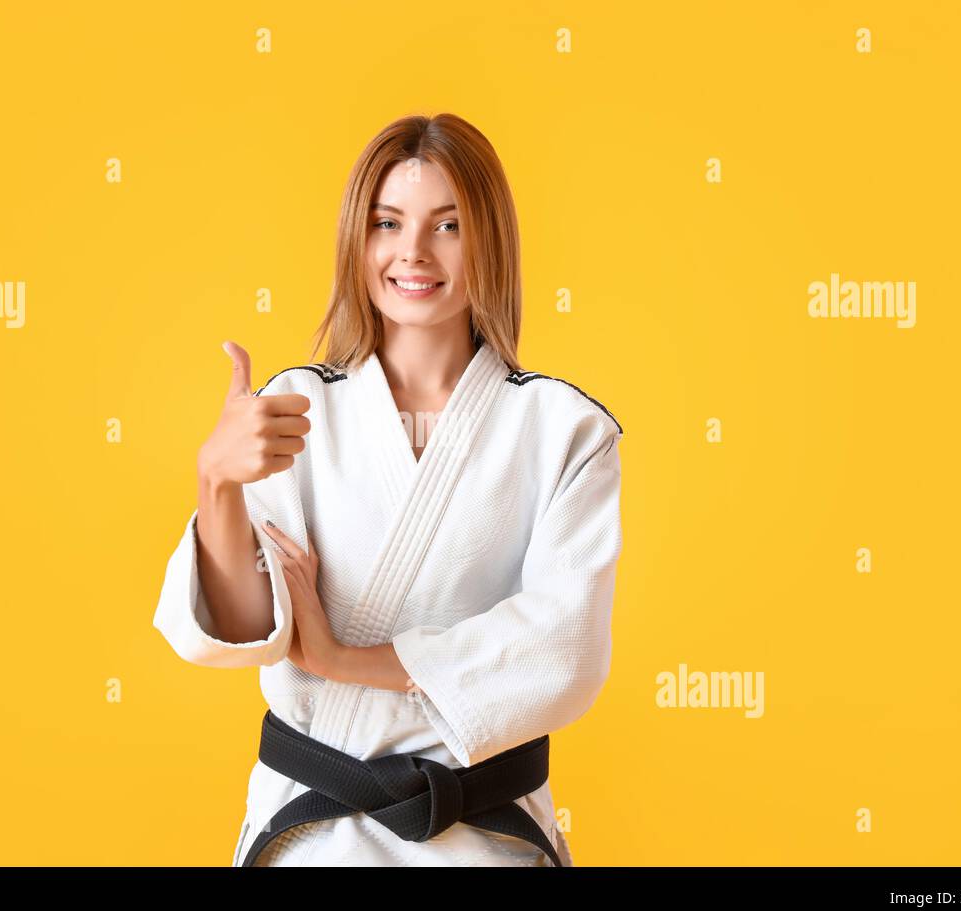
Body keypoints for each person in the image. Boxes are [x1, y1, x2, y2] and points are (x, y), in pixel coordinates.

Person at [152, 113, 624, 866]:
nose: (411, 253)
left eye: (447, 226)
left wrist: (345, 660)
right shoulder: (297, 409)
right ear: (356, 239)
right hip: (311, 837)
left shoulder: (565, 429)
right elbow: (246, 632)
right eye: (387, 223)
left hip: (483, 836)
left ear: (489, 241)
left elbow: (563, 652)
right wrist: (216, 481)